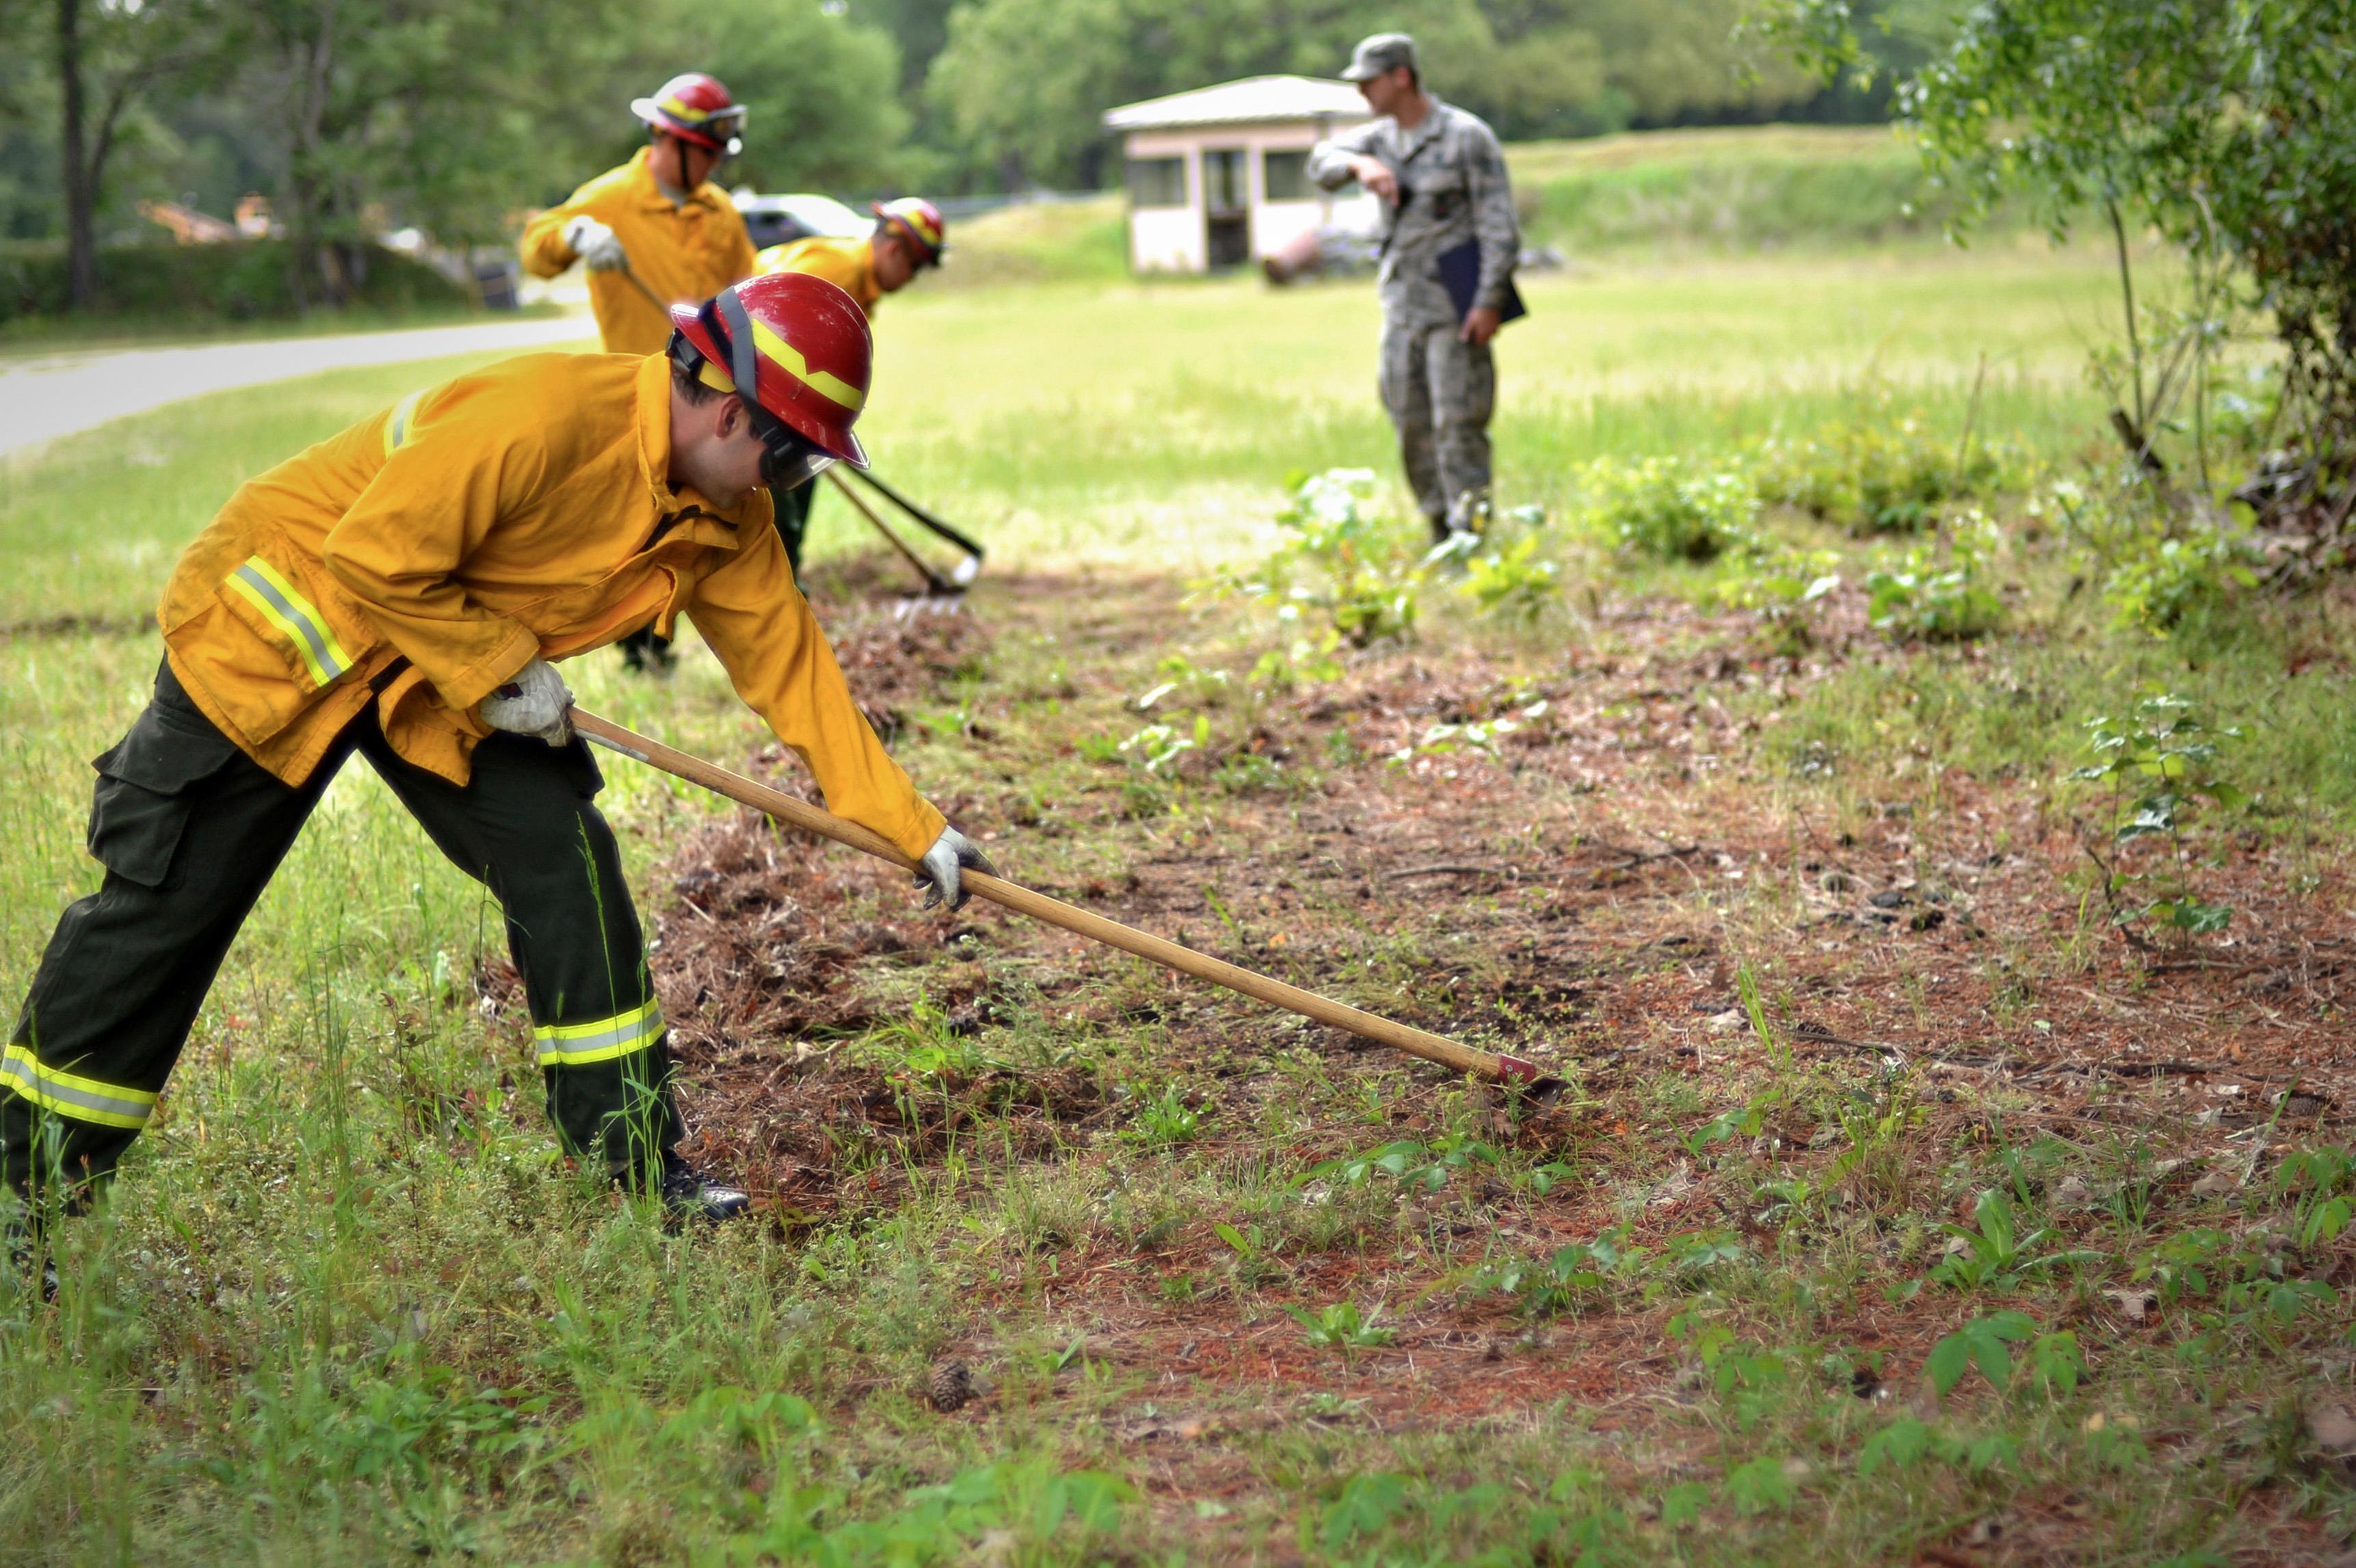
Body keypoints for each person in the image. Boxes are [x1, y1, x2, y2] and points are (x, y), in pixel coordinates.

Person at [2, 273, 994, 1253]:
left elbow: (796, 673)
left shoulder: (726, 522)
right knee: (165, 911)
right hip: (280, 639)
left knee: (566, 865)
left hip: (434, 676)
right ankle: (21, 1191)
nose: (790, 488)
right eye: (795, 462)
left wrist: (915, 829)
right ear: (735, 415)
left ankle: (633, 1160)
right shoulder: (543, 416)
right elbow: (373, 556)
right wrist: (496, 664)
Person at [521, 72, 760, 671]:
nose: (711, 166)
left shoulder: (720, 212)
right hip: (639, 396)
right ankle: (643, 648)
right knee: (641, 529)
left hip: (714, 397)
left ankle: (740, 626)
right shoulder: (608, 199)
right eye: (704, 152)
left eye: (715, 155)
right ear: (670, 140)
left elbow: (749, 293)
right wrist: (575, 233)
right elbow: (536, 248)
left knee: (712, 519)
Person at [1308, 34, 1521, 546]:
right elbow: (1320, 162)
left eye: (1368, 79)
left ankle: (1469, 537)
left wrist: (1489, 300)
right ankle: (1436, 531)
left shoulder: (1465, 136)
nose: (1361, 90)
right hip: (1402, 309)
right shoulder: (1376, 140)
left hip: (1456, 307)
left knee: (1458, 426)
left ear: (1401, 76)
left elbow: (1499, 227)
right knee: (1411, 425)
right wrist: (1359, 166)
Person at [753, 198, 948, 572]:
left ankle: (787, 592)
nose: (913, 279)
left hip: (783, 405)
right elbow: (760, 321)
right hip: (756, 402)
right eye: (916, 266)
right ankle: (783, 601)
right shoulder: (835, 271)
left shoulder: (856, 276)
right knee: (777, 518)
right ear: (894, 250)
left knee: (797, 491)